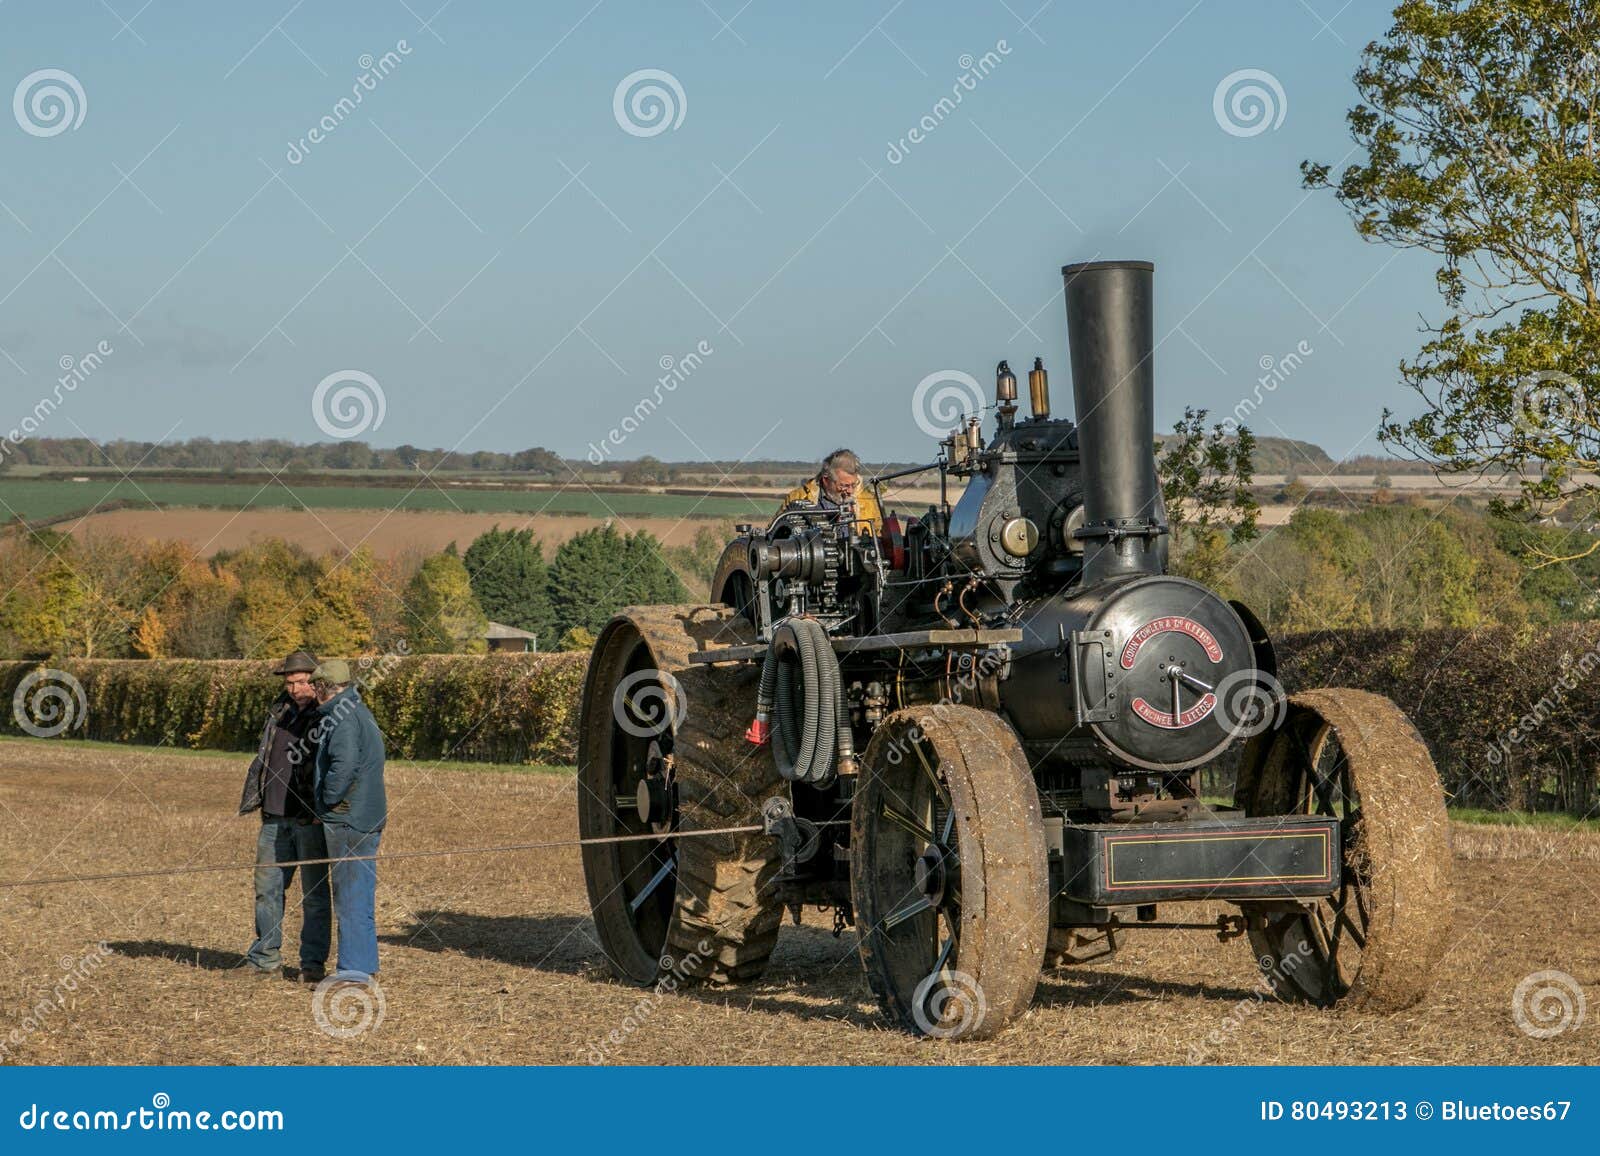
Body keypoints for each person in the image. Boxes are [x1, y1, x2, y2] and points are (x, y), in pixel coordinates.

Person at [234, 650, 331, 983]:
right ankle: (265, 960)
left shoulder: (328, 714)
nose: (295, 689)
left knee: (315, 897)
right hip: (274, 817)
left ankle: (312, 966)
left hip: (309, 819)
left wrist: (322, 809)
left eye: (302, 682)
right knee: (267, 891)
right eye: (290, 683)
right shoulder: (279, 711)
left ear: (316, 680)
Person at [310, 658, 388, 991]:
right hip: (365, 815)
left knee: (350, 896)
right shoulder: (359, 710)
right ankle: (363, 967)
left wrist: (326, 801)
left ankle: (353, 973)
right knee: (360, 894)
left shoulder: (341, 718)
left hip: (348, 818)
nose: (312, 693)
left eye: (314, 686)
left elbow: (342, 767)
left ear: (323, 687)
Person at [778, 447, 883, 534]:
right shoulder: (798, 497)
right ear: (826, 479)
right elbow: (777, 533)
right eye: (844, 486)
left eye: (853, 484)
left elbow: (880, 536)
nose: (850, 491)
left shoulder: (868, 502)